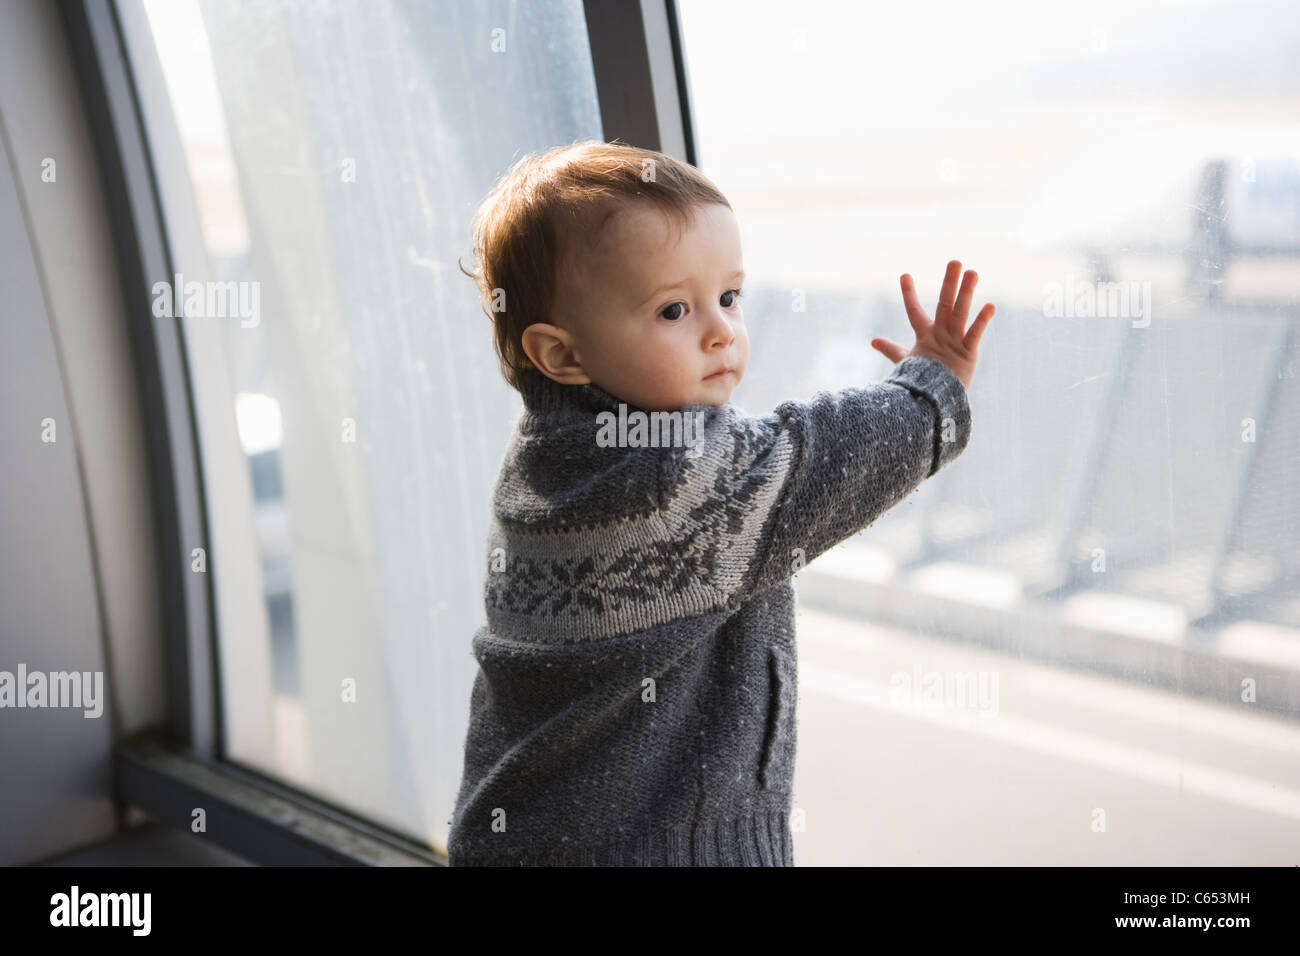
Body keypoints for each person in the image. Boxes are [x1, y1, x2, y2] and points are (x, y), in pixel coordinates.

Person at [447, 139, 994, 865]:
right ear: (564, 355)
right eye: (674, 309)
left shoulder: (544, 463)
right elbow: (820, 459)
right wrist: (931, 392)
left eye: (730, 297)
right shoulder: (674, 489)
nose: (722, 332)